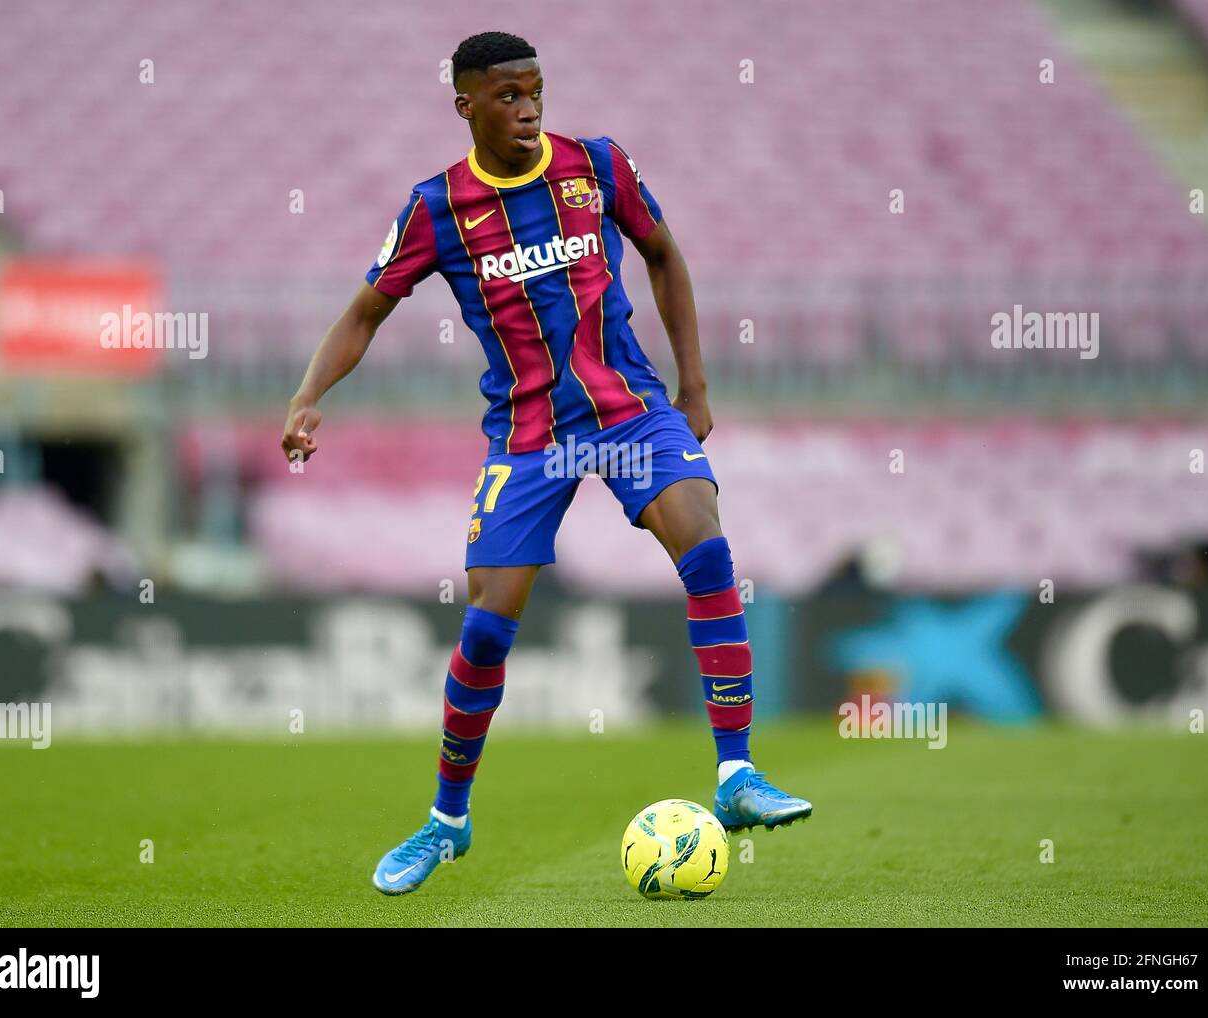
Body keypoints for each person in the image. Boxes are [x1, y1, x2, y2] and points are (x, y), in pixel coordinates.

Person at [281, 31, 811, 896]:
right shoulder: (436, 208)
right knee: (489, 621)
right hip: (528, 436)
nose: (528, 107)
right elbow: (363, 314)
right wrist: (309, 396)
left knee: (706, 547)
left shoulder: (596, 165)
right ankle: (446, 821)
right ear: (466, 106)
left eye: (536, 90)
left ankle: (737, 776)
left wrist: (695, 383)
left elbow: (665, 257)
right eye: (507, 95)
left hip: (631, 409)